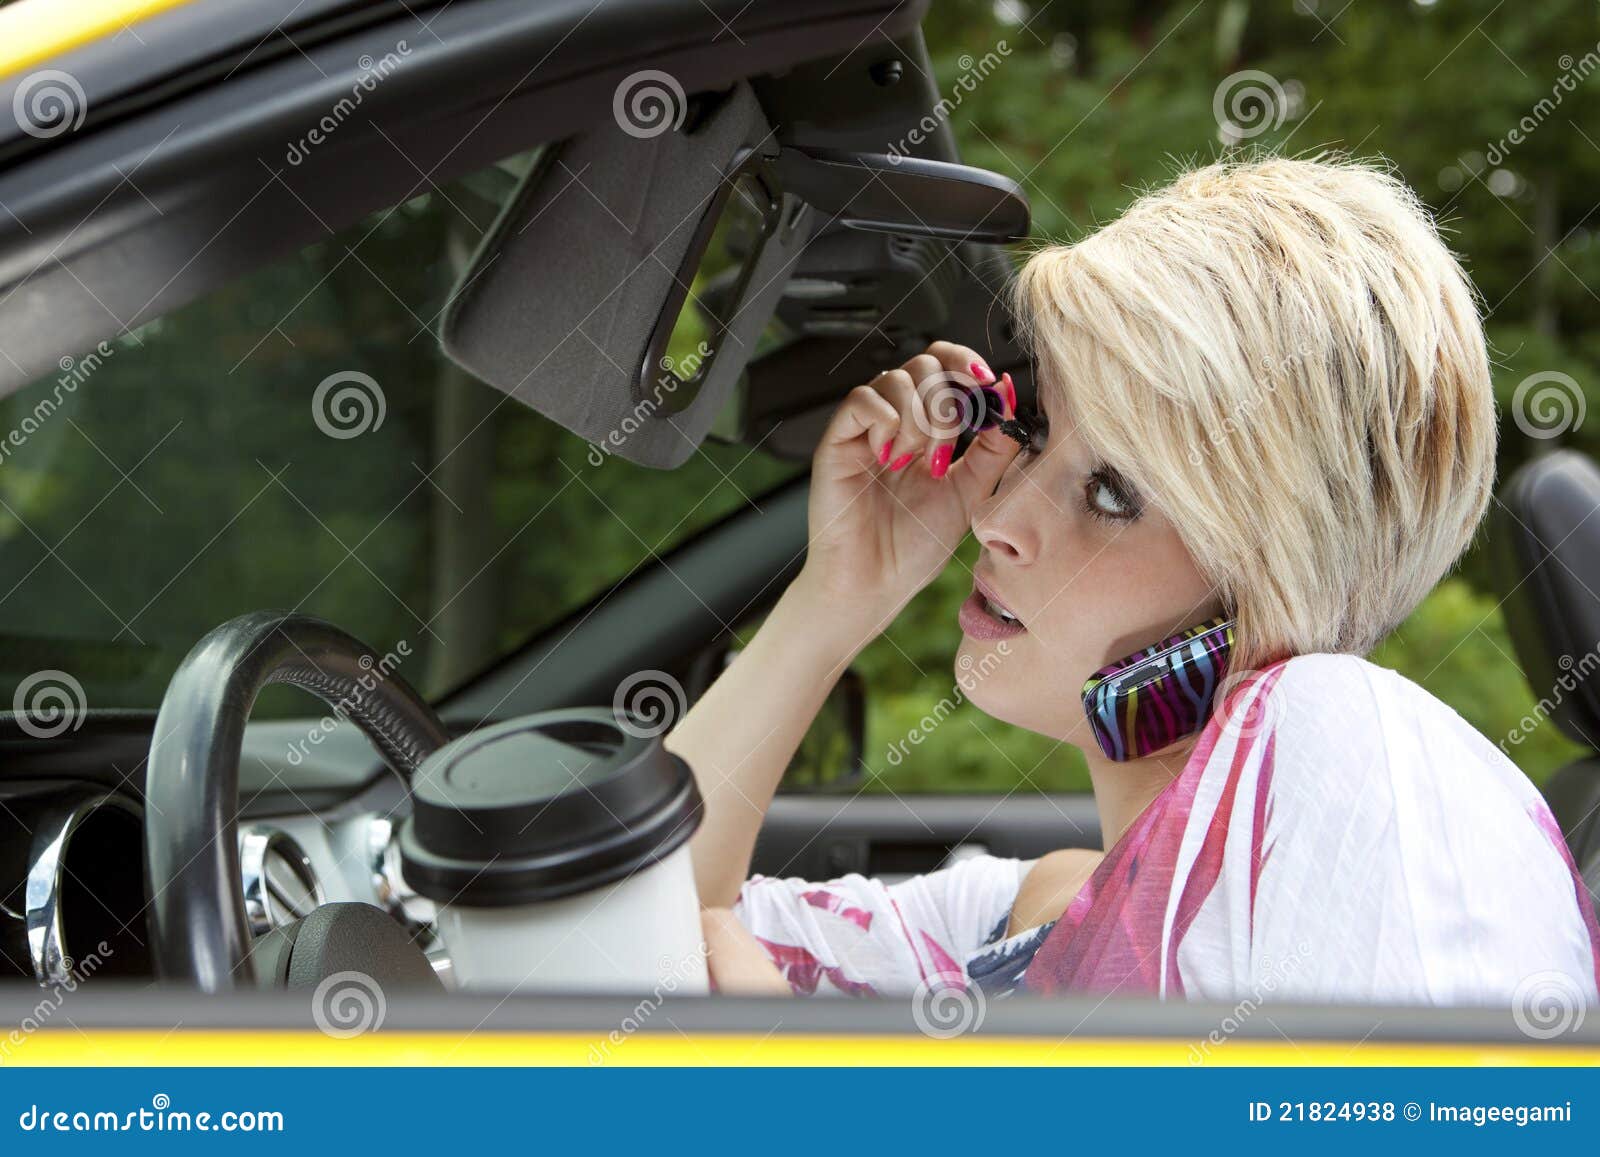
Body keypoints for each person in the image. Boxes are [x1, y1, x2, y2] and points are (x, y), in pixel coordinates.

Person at [665, 152, 1600, 1009]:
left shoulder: (1356, 741)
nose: (996, 519)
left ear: (1275, 581)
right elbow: (633, 953)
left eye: (1112, 492)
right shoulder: (1014, 911)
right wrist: (837, 600)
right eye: (1032, 435)